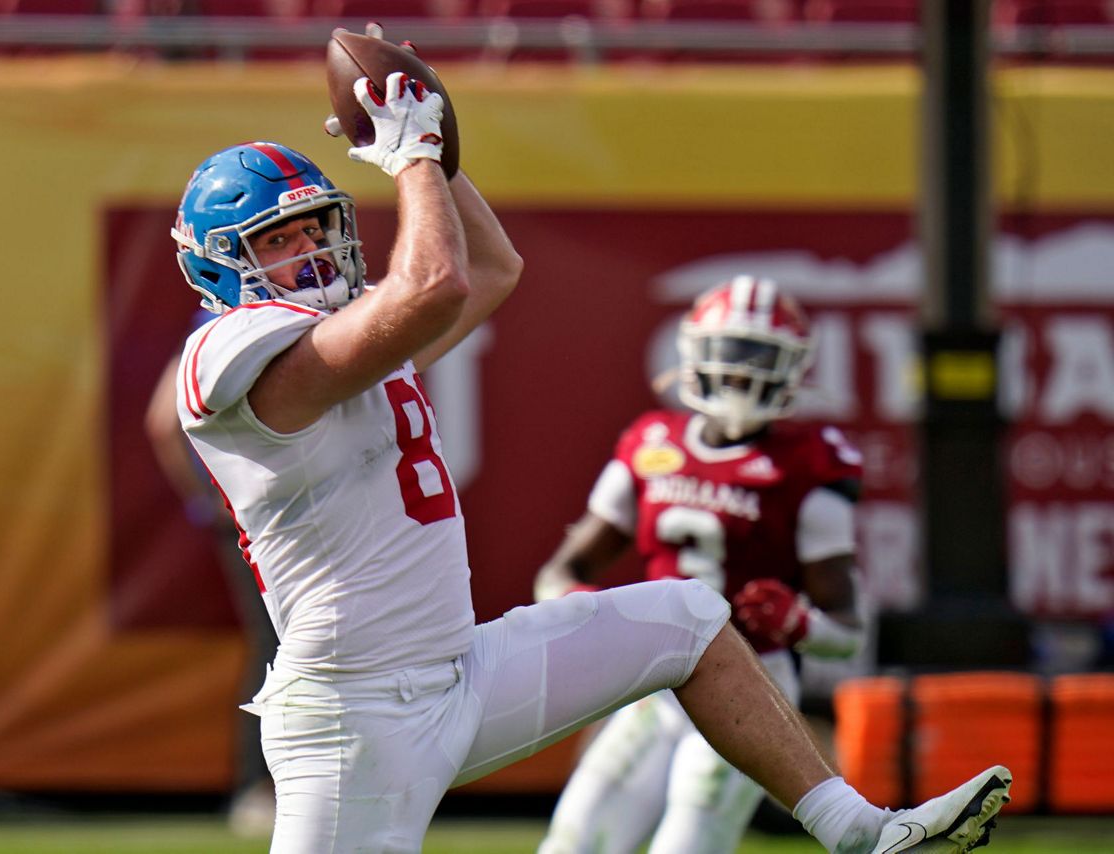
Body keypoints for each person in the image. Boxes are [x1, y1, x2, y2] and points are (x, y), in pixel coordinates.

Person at [168, 65, 1010, 853]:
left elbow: (492, 267)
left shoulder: (349, 338)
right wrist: (411, 155)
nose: (314, 249)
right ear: (218, 263)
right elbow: (436, 287)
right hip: (352, 717)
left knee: (689, 619)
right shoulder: (231, 354)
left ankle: (858, 829)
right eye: (280, 237)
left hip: (459, 674)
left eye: (319, 224)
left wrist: (437, 150)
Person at [535, 276, 871, 854]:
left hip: (751, 683)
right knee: (576, 840)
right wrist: (581, 610)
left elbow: (845, 633)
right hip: (653, 680)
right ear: (696, 353)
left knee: (688, 844)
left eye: (762, 356)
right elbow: (562, 571)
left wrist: (798, 624)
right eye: (733, 352)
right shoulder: (652, 443)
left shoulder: (808, 467)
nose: (744, 372)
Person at [145, 315, 280, 838]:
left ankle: (266, 787)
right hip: (274, 511)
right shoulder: (236, 326)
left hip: (258, 512)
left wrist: (208, 501)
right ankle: (263, 786)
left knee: (283, 645)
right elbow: (162, 419)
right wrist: (211, 499)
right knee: (285, 646)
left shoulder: (219, 327)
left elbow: (161, 421)